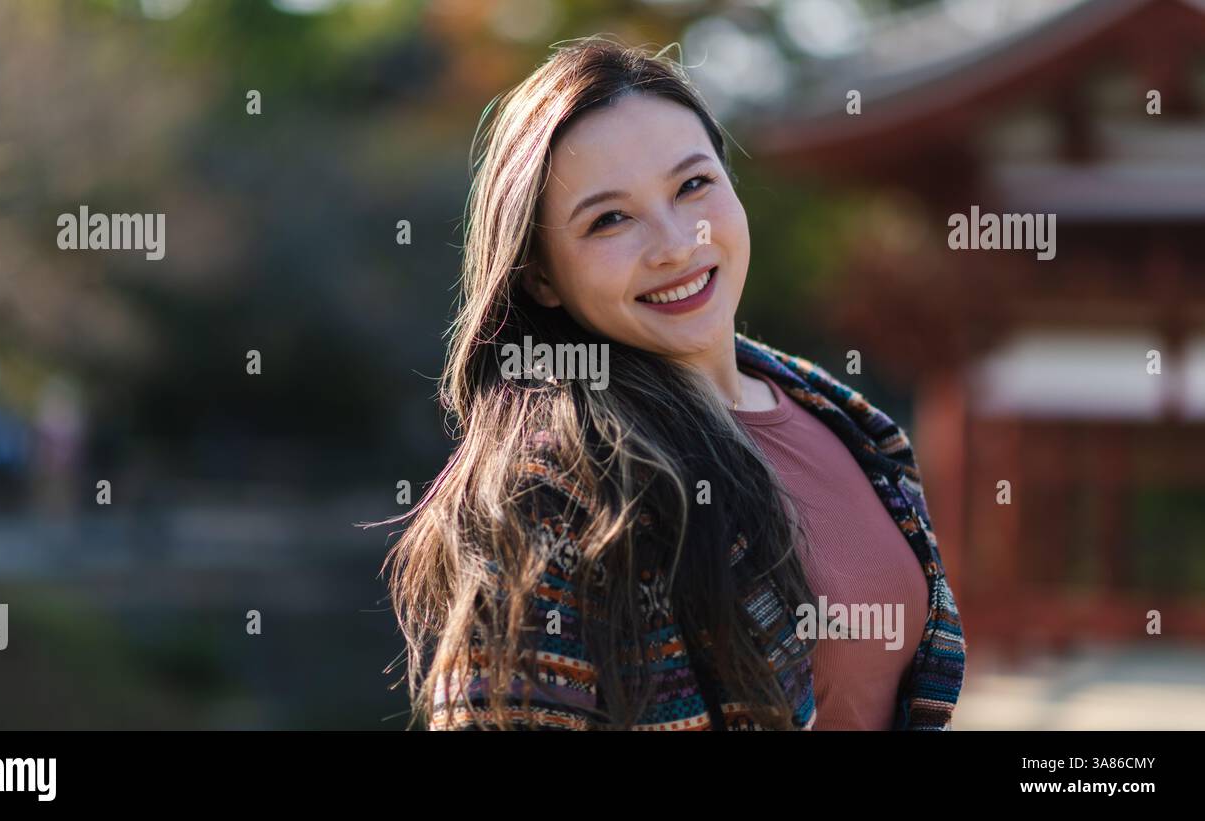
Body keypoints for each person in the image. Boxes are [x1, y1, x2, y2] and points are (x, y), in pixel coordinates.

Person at [380, 36, 965, 731]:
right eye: (609, 219)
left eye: (693, 184)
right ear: (540, 275)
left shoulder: (841, 422)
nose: (675, 243)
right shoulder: (552, 491)